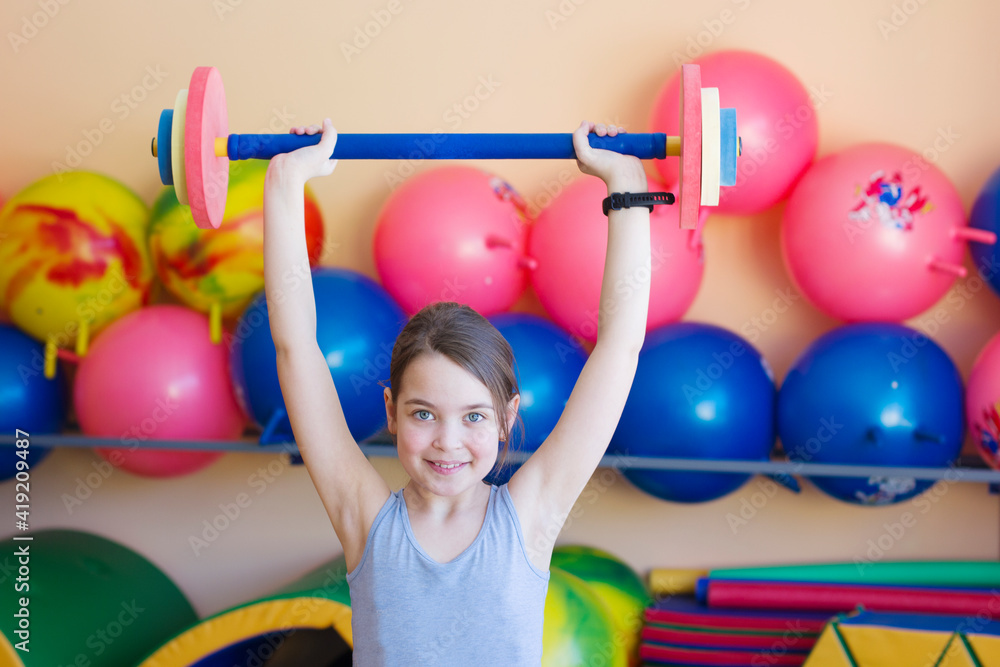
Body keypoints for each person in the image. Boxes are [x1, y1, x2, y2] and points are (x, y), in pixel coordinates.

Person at [263, 119, 651, 665]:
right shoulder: (365, 518)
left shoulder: (528, 516)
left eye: (474, 417)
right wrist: (285, 184)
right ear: (391, 412)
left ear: (506, 417)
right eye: (424, 413)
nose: (448, 441)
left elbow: (620, 347)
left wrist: (625, 185)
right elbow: (295, 347)